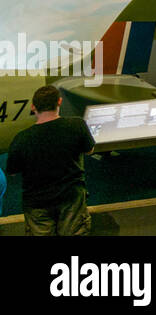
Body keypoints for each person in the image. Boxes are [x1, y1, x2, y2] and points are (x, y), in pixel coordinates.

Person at [5, 86, 94, 236]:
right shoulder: (77, 125)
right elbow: (89, 150)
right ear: (59, 102)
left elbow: (12, 171)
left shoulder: (21, 138)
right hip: (71, 198)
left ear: (33, 107)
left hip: (36, 203)